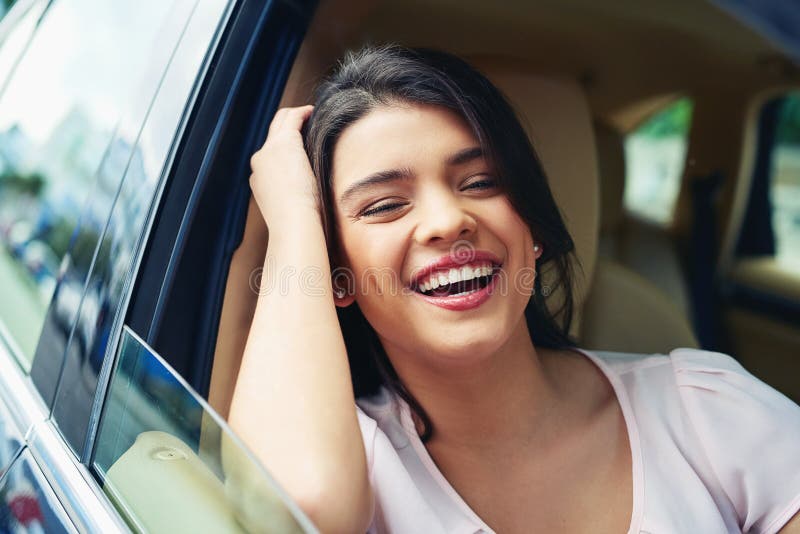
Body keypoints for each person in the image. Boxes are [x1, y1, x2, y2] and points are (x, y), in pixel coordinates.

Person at [229, 45, 800, 533]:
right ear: (338, 277)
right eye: (384, 205)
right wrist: (294, 219)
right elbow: (298, 510)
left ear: (532, 232)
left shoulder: (705, 409)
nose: (448, 221)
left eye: (480, 182)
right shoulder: (352, 459)